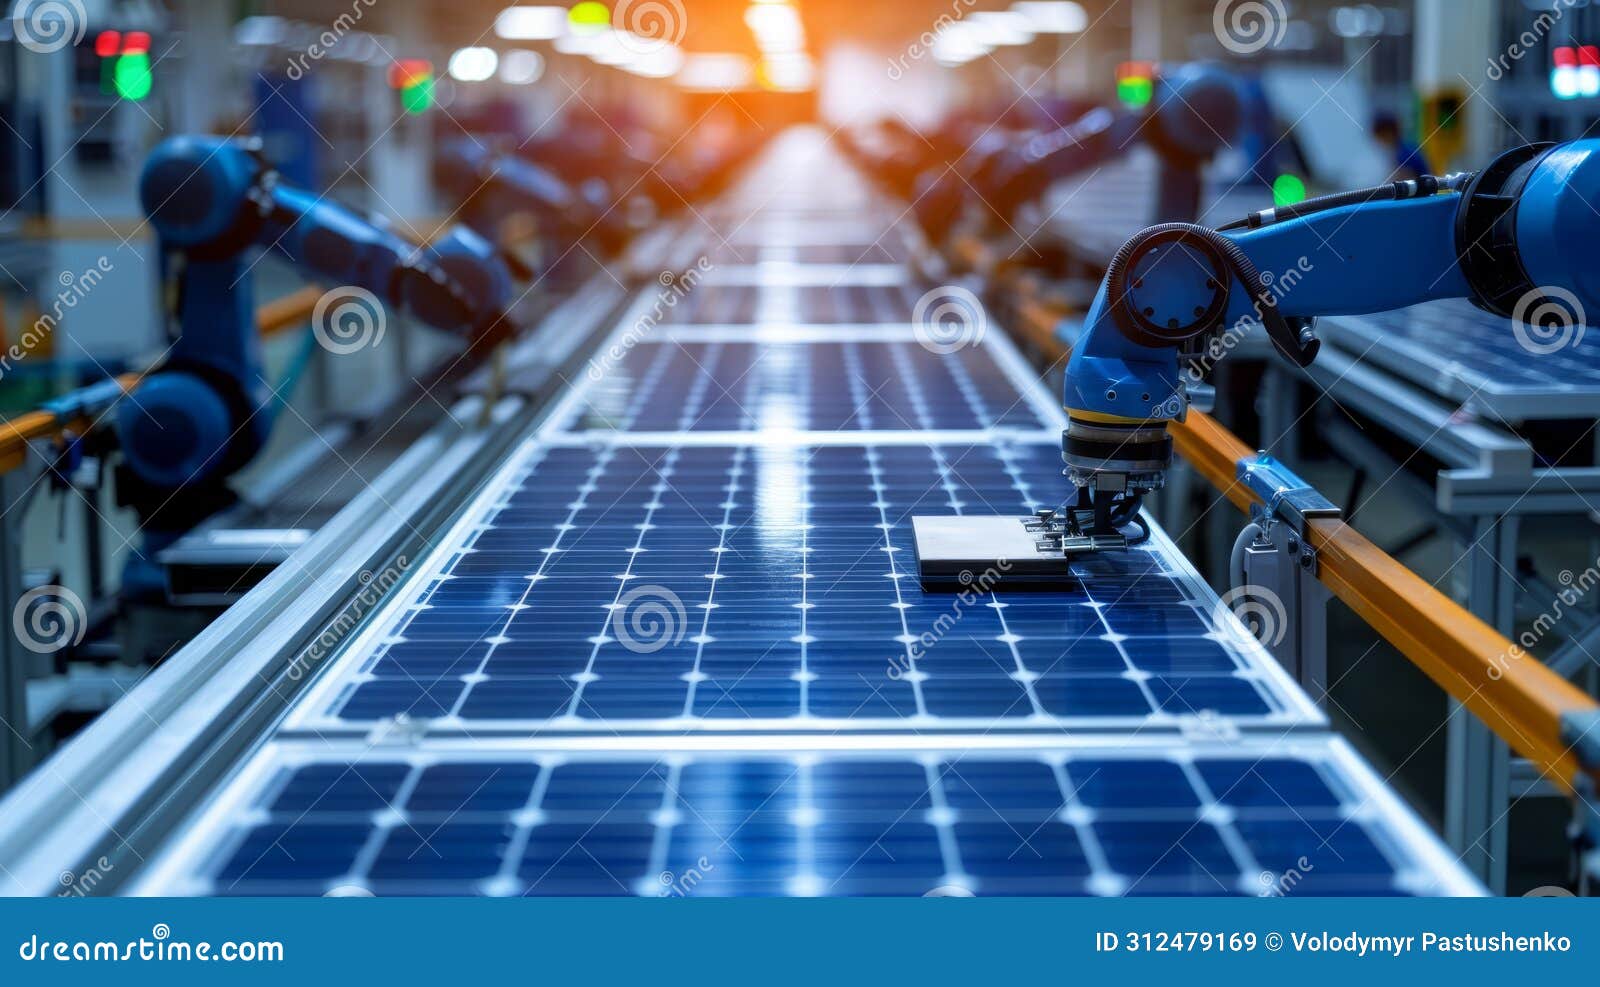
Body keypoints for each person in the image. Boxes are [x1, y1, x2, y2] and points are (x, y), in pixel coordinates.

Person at [1373, 111, 1430, 181]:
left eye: (1381, 136)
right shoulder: (1404, 147)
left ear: (1389, 133)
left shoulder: (1404, 153)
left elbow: (1404, 178)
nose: (1379, 141)